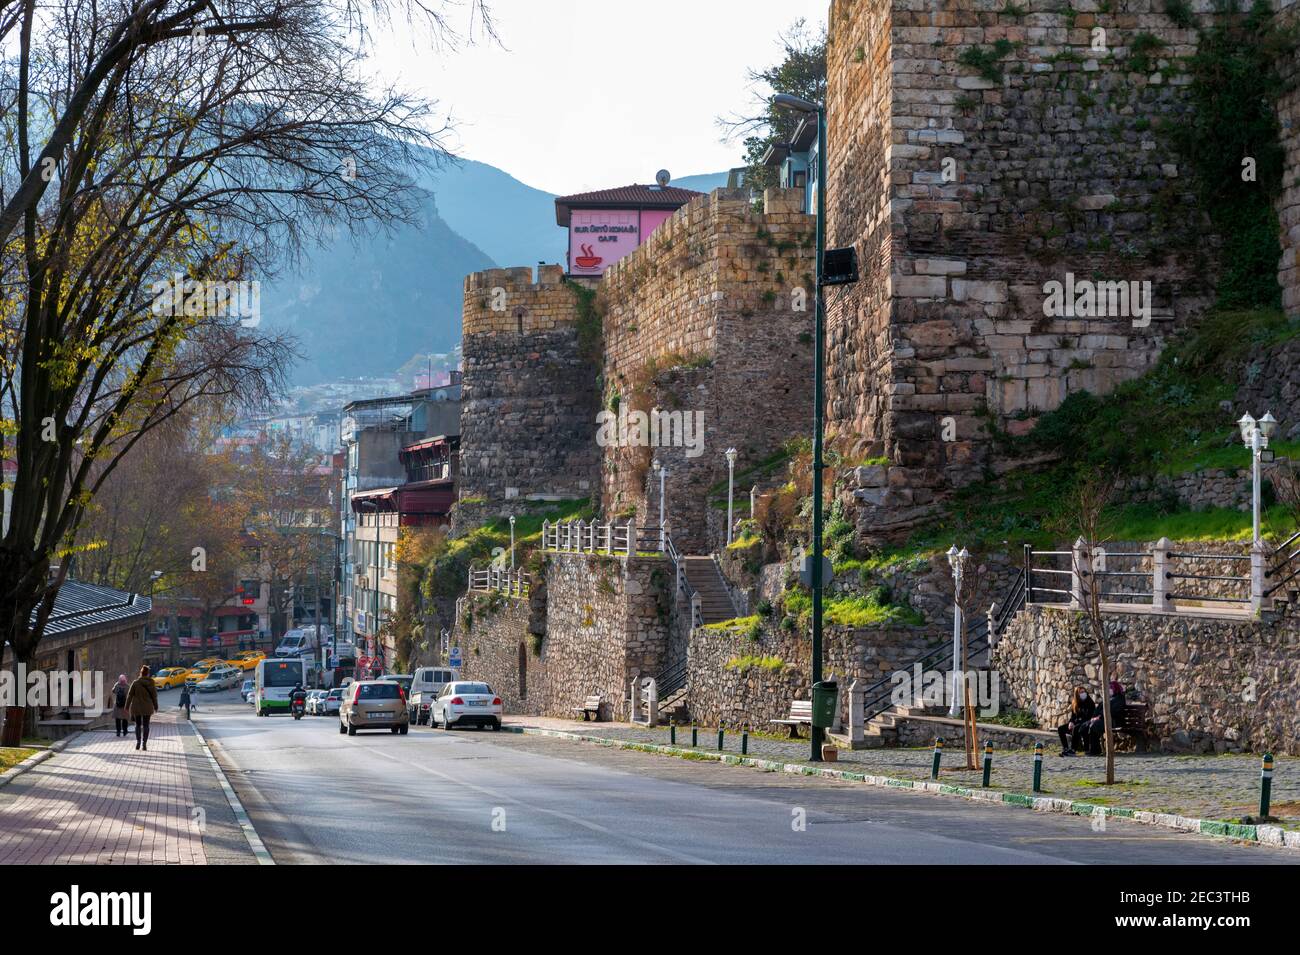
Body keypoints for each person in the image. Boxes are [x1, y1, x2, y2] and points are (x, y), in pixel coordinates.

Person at [1084, 681, 1127, 756]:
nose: (1109, 690)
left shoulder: (1119, 698)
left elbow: (1113, 712)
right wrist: (1094, 717)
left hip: (1114, 721)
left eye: (1111, 688)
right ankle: (1089, 749)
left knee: (1094, 726)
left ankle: (1095, 750)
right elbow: (1098, 709)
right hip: (1104, 720)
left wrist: (1099, 717)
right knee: (1086, 725)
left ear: (1115, 688)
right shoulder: (1108, 698)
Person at [126, 664, 159, 751]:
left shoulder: (135, 683)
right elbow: (154, 696)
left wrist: (126, 707)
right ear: (148, 673)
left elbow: (130, 695)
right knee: (146, 725)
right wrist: (156, 706)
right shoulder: (151, 682)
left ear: (141, 673)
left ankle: (138, 742)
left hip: (136, 707)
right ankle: (144, 743)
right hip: (147, 707)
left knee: (137, 725)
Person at [1057, 686, 1096, 756]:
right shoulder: (1075, 703)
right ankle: (1065, 748)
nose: (1083, 693)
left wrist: (1076, 722)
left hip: (1085, 723)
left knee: (1076, 728)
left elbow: (1089, 716)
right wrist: (1071, 722)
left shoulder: (1090, 702)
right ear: (1077, 694)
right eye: (1081, 692)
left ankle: (1073, 750)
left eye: (1084, 692)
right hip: (1076, 722)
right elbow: (1073, 716)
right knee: (1060, 729)